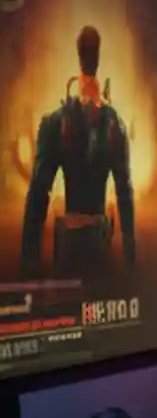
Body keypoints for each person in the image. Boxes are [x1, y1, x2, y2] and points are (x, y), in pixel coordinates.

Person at [21, 25, 136, 279]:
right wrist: (130, 253)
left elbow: (39, 192)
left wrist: (29, 259)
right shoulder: (113, 124)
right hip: (99, 241)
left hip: (70, 243)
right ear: (97, 56)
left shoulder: (57, 122)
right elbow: (124, 191)